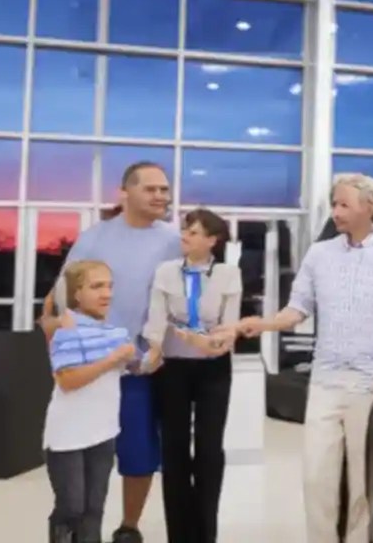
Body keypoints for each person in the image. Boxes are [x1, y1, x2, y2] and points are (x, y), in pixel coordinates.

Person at [236, 173, 373, 543]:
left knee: (361, 481)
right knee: (315, 476)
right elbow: (298, 308)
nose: (335, 212)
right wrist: (264, 324)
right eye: (334, 204)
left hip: (371, 384)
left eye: (343, 204)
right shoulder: (320, 254)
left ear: (369, 207)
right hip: (325, 381)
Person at [40, 161, 182, 543]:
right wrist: (59, 348)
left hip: (140, 369)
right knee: (85, 457)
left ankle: (129, 527)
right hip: (92, 370)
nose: (161, 197)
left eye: (165, 190)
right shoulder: (95, 238)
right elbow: (59, 300)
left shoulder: (173, 240)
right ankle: (77, 530)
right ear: (125, 192)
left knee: (138, 454)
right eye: (151, 189)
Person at [142, 208, 242, 543]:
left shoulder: (229, 274)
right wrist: (154, 350)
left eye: (194, 232)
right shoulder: (166, 272)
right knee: (174, 447)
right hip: (174, 367)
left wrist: (209, 342)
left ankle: (205, 533)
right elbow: (157, 320)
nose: (185, 236)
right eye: (185, 230)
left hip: (214, 367)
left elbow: (228, 328)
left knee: (210, 448)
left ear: (213, 240)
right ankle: (179, 535)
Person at [43, 260, 138, 543]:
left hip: (104, 432)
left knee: (94, 508)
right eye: (97, 286)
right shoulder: (66, 331)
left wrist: (156, 350)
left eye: (109, 286)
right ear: (76, 294)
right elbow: (68, 381)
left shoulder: (115, 333)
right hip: (68, 436)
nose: (106, 293)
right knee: (72, 507)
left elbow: (136, 366)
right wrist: (112, 359)